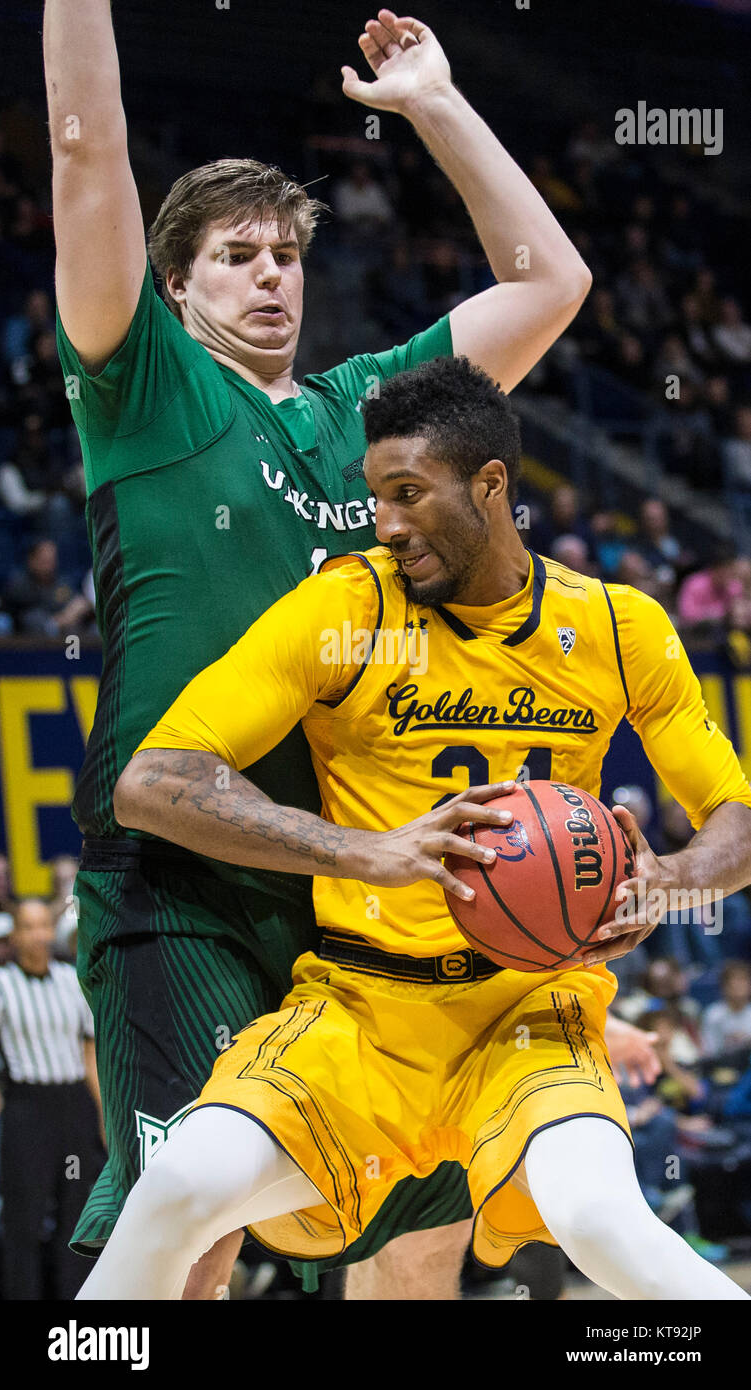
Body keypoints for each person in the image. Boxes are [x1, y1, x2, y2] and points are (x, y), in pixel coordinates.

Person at [45, 3, 592, 1301]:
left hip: (347, 875)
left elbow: (547, 284)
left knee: (418, 1229)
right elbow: (85, 151)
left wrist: (436, 102)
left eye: (286, 252)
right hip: (179, 867)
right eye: (237, 256)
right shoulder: (150, 385)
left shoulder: (371, 411)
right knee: (200, 1229)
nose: (272, 274)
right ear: (177, 289)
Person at [79, 357, 751, 1300]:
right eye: (374, 498)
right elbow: (151, 782)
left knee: (603, 1221)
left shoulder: (617, 626)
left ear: (490, 485)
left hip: (530, 1012)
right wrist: (366, 851)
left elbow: (737, 820)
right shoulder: (347, 607)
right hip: (358, 1009)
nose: (385, 524)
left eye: (407, 495)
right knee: (179, 1185)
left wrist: (668, 883)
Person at [0, 900, 104, 1299]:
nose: (39, 935)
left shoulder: (69, 979)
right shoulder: (3, 983)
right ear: (16, 935)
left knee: (75, 1208)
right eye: (29, 927)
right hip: (29, 1112)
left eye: (44, 925)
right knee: (23, 1217)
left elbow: (89, 1052)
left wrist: (101, 1117)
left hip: (72, 1111)